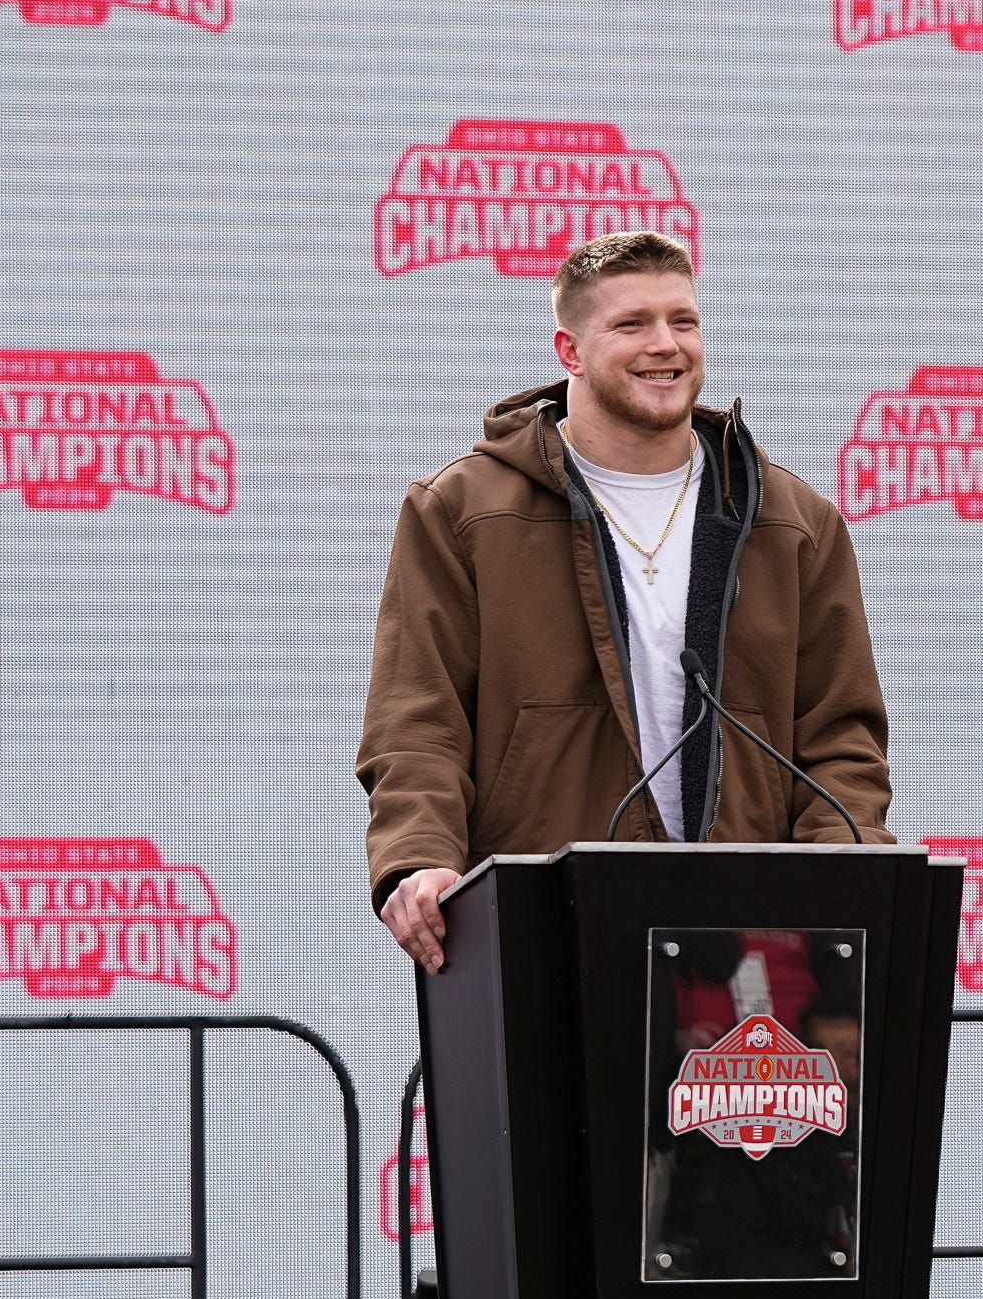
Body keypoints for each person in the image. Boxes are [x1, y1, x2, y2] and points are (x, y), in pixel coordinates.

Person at [358, 231, 892, 970]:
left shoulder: (792, 520)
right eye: (632, 323)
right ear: (570, 351)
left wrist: (844, 871)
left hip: (754, 934)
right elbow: (419, 717)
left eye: (683, 320)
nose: (665, 344)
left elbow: (840, 732)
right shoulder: (461, 510)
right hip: (545, 918)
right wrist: (419, 857)